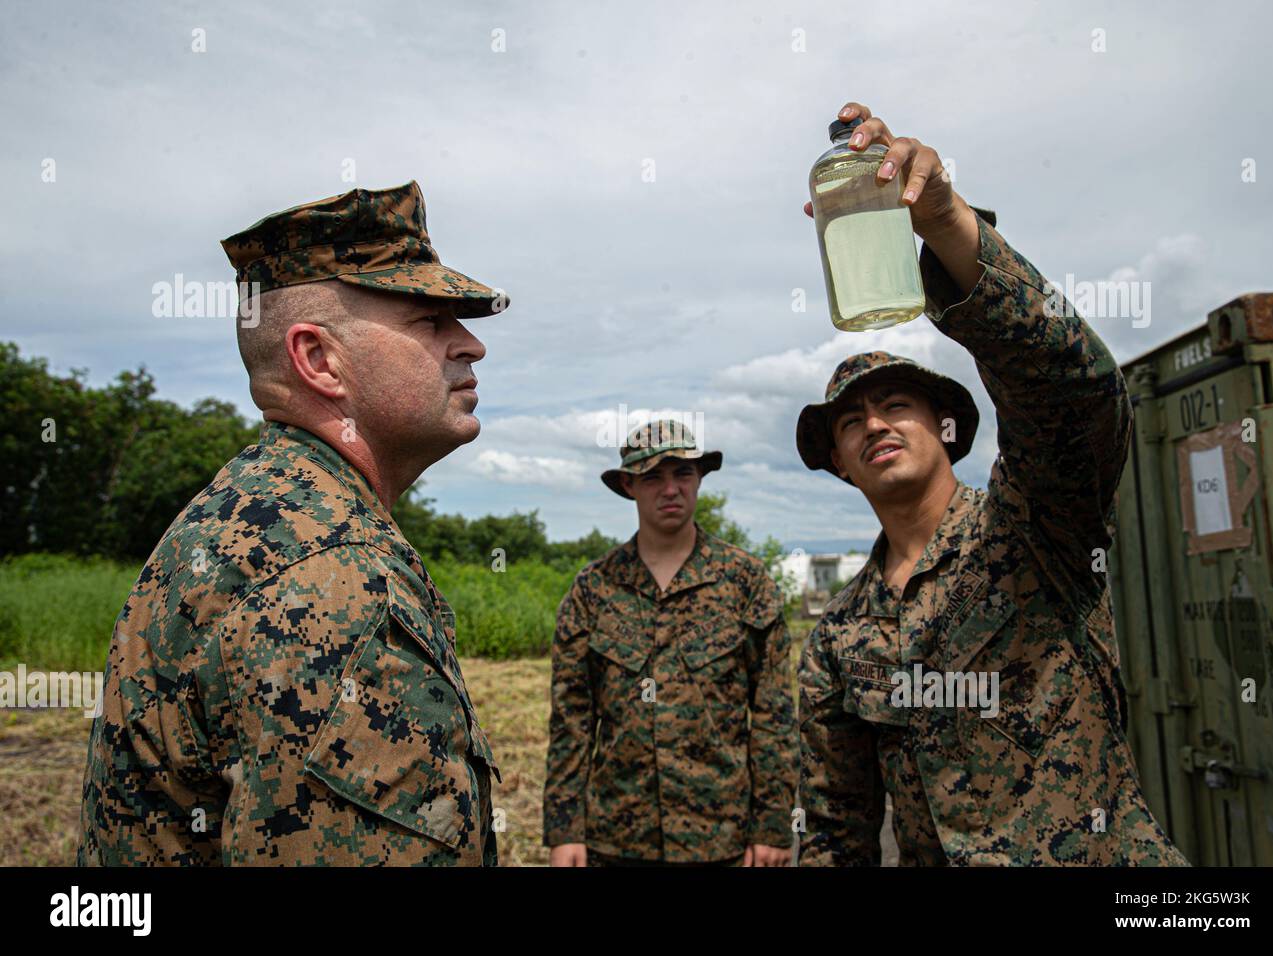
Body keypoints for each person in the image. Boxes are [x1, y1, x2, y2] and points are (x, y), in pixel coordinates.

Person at [795, 103, 1188, 866]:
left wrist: (947, 223)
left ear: (947, 428)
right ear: (839, 463)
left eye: (898, 405)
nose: (875, 424)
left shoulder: (1033, 531)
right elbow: (837, 830)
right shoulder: (839, 638)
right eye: (851, 422)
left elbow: (1075, 395)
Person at [79, 181, 509, 865]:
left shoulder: (248, 514)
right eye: (429, 321)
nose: (470, 345)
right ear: (318, 360)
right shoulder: (331, 579)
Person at [544, 420, 797, 866]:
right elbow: (571, 718)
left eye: (682, 474)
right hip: (615, 838)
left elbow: (774, 714)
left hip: (723, 837)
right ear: (629, 485)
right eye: (652, 477)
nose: (670, 489)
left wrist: (773, 826)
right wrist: (565, 829)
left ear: (700, 478)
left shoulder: (745, 581)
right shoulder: (594, 587)